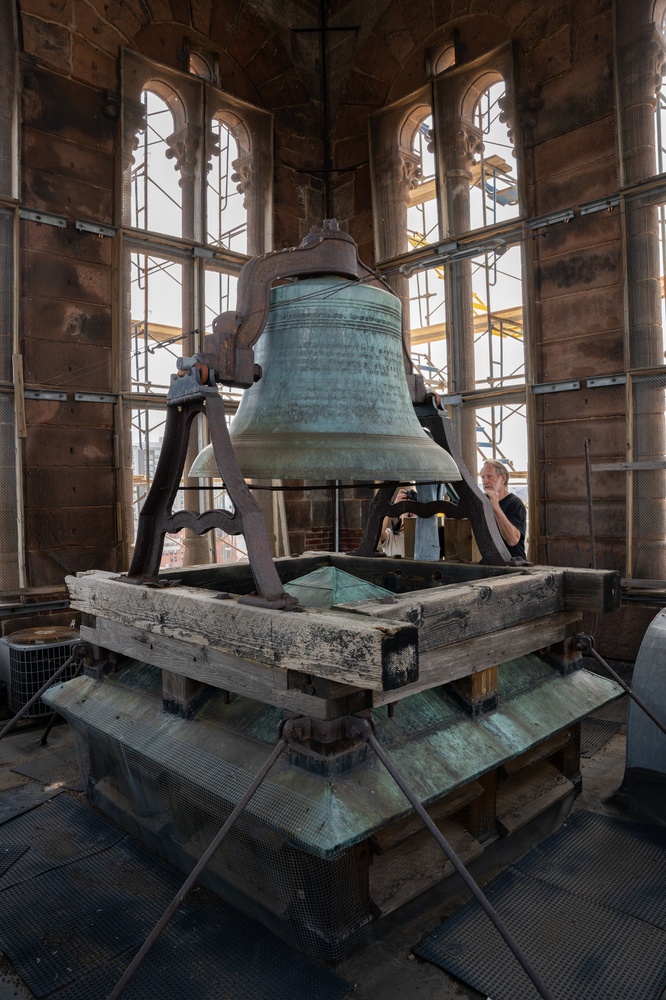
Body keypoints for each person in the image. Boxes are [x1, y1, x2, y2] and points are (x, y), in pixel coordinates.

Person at [480, 460, 526, 560]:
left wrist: (496, 508)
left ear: (503, 479)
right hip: (492, 564)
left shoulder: (515, 503)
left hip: (514, 566)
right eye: (483, 477)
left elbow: (513, 540)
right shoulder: (483, 503)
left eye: (489, 477)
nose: (484, 481)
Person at [379, 486, 416, 557]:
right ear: (400, 515)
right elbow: (380, 532)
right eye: (407, 509)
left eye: (414, 510)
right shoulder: (391, 536)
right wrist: (393, 507)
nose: (411, 512)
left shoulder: (419, 538)